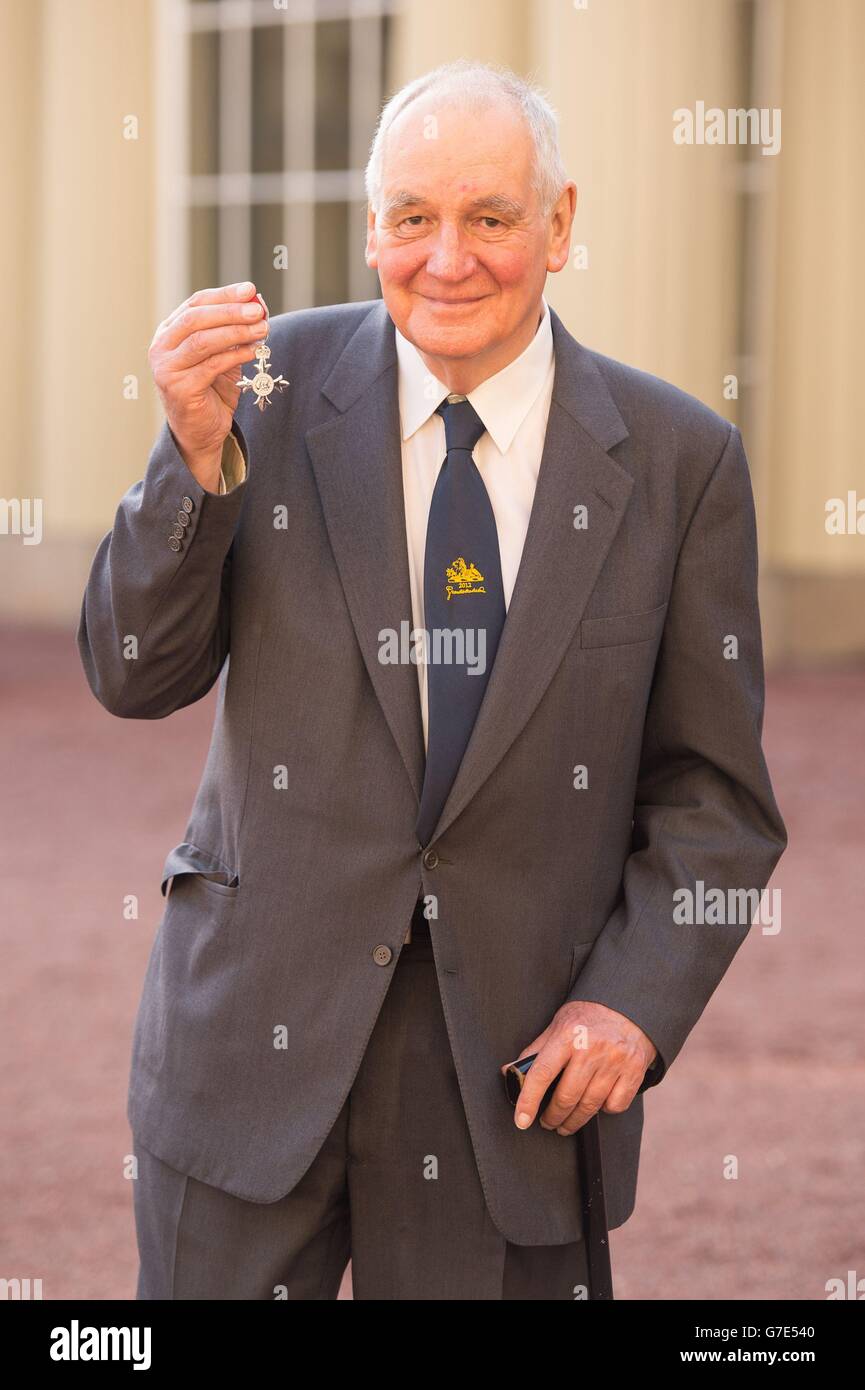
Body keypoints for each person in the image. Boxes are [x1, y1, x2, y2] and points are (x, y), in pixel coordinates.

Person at [77, 60, 787, 1301]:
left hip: (512, 1079)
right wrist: (189, 467)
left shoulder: (682, 462)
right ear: (371, 230)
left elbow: (714, 805)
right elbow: (134, 674)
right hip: (253, 1044)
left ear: (560, 224)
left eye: (490, 218)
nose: (445, 258)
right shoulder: (262, 393)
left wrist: (630, 1005)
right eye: (411, 218)